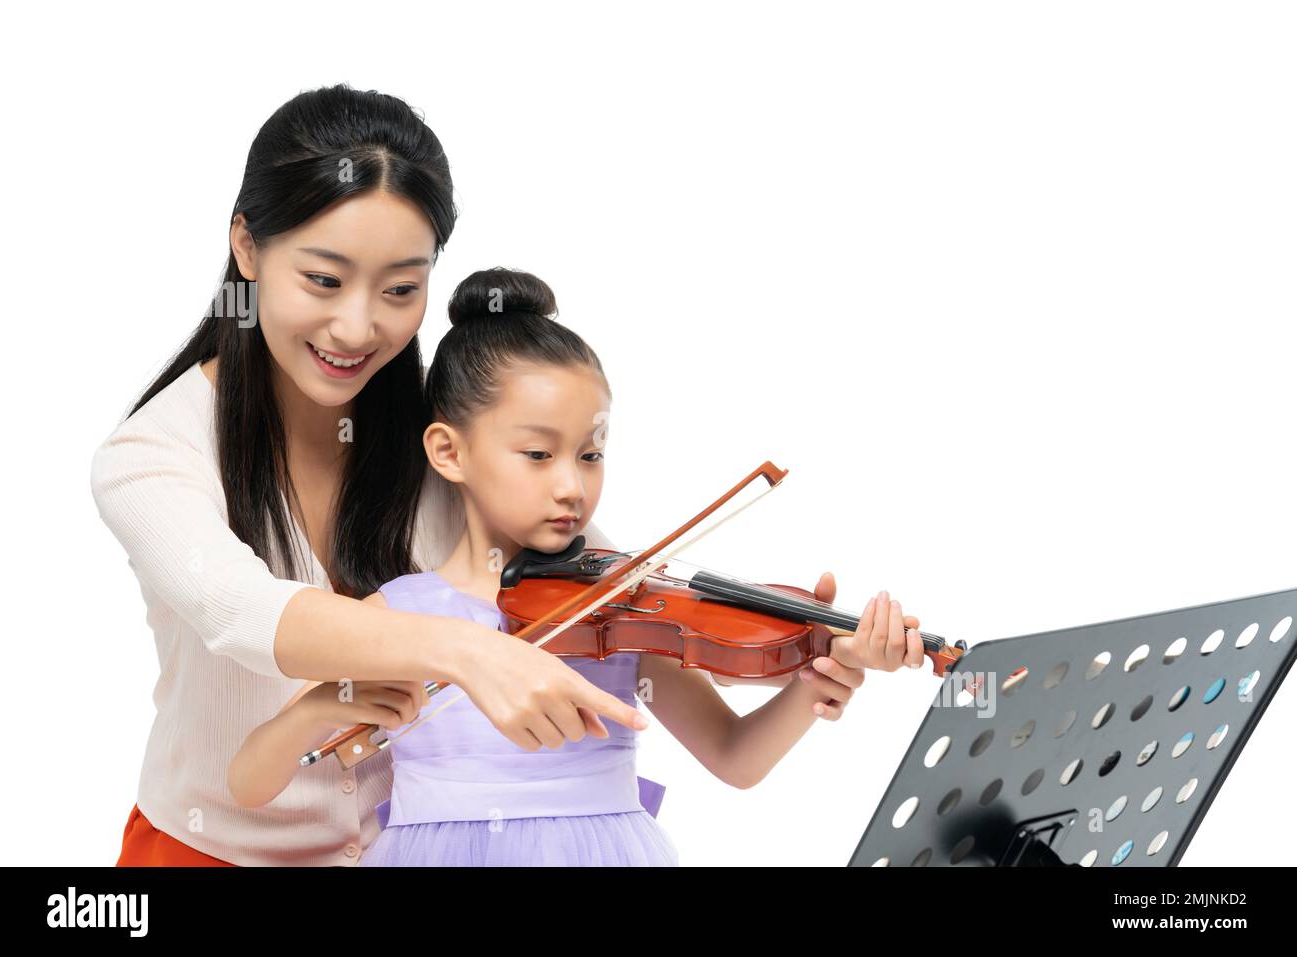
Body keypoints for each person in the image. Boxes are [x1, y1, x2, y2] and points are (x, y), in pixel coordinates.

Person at [92, 85, 646, 867]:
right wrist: (466, 650)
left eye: (399, 290)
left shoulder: (449, 441)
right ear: (247, 250)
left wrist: (815, 648)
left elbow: (593, 567)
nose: (358, 327)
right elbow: (241, 609)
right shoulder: (152, 452)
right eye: (323, 280)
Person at [227, 268, 923, 866]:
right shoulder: (401, 615)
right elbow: (249, 781)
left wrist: (816, 683)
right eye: (539, 453)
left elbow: (734, 756)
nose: (572, 485)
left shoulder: (621, 611)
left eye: (590, 454)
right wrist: (318, 706)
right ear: (449, 452)